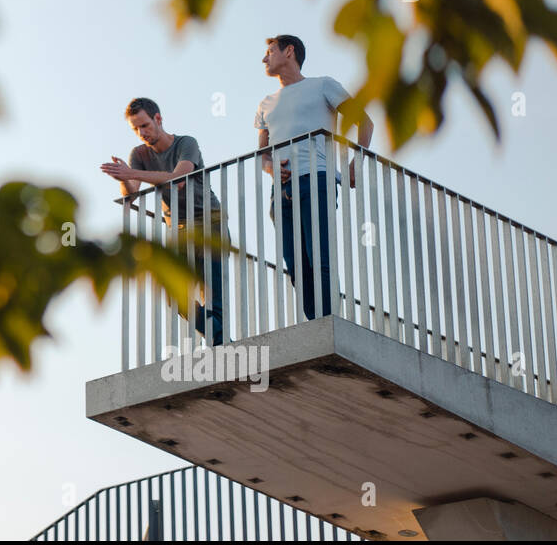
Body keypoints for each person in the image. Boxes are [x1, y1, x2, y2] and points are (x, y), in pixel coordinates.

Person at [255, 35, 373, 321]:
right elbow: (262, 154)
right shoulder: (265, 104)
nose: (264, 58)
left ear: (289, 51)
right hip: (280, 191)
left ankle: (330, 322)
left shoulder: (322, 85)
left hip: (316, 179)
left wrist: (357, 160)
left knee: (319, 257)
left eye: (270, 51)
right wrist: (272, 169)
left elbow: (364, 121)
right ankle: (315, 323)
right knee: (295, 264)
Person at [101, 98, 228, 346]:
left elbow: (178, 178)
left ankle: (221, 346)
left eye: (145, 126)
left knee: (213, 297)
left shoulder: (186, 143)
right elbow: (131, 193)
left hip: (209, 222)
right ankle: (224, 343)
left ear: (158, 119)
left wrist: (133, 173)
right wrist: (125, 177)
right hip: (178, 228)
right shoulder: (139, 154)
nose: (142, 133)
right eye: (136, 129)